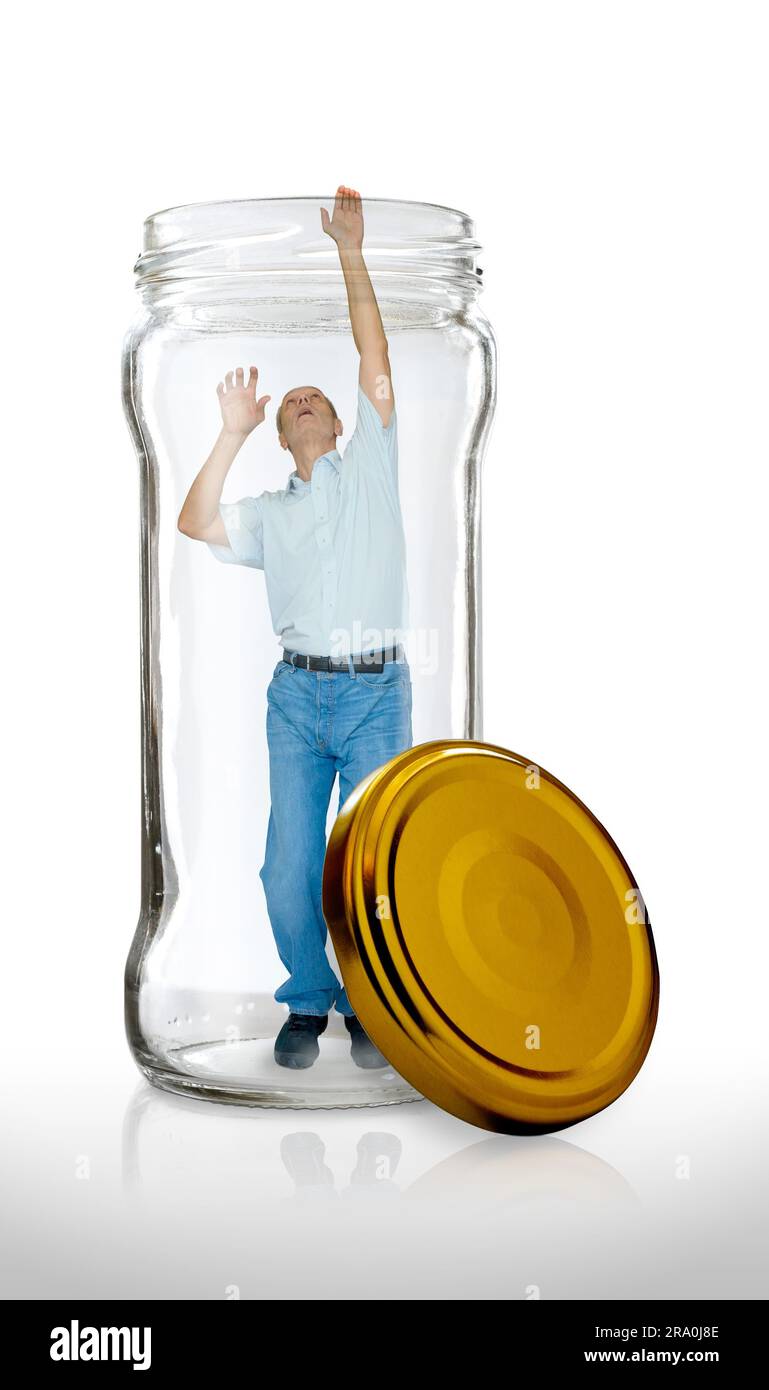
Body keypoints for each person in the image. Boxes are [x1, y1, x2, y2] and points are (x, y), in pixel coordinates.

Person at [177, 187, 412, 1071]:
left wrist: (350, 249)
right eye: (293, 404)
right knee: (287, 868)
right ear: (283, 434)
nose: (309, 401)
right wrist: (231, 431)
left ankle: (371, 1002)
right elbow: (195, 522)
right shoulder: (272, 511)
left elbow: (373, 346)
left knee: (375, 865)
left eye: (320, 397)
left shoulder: (373, 468)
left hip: (376, 693)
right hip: (296, 697)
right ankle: (309, 1000)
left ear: (346, 423)